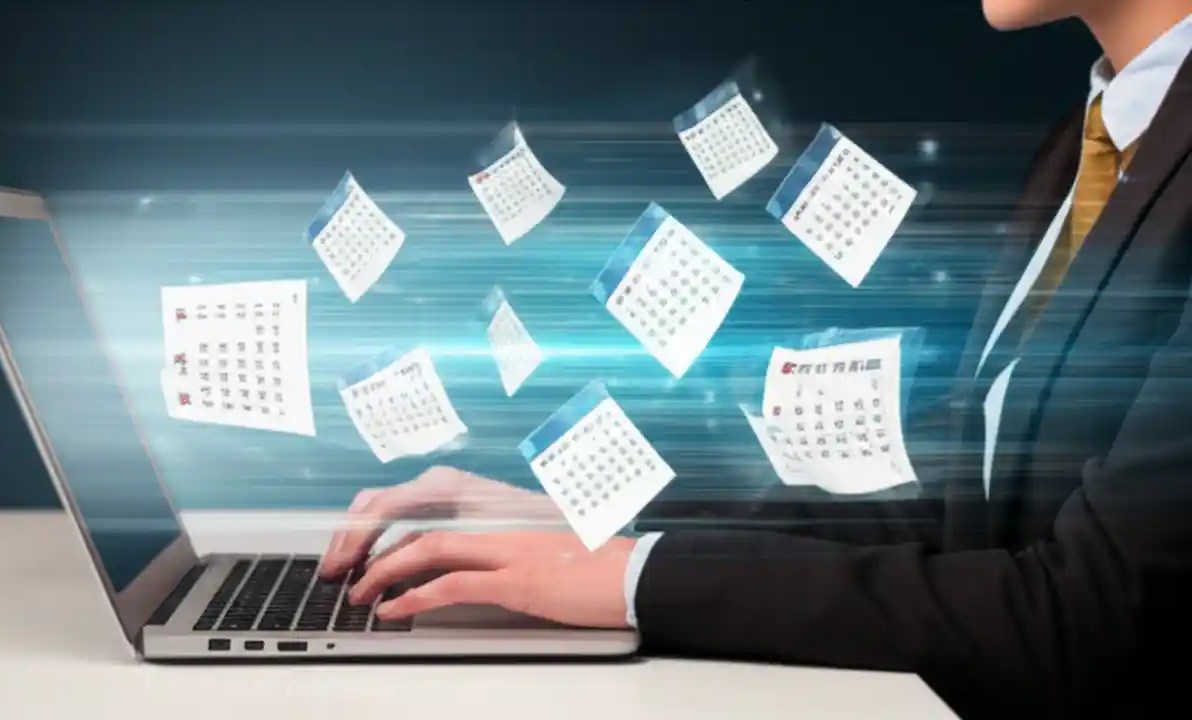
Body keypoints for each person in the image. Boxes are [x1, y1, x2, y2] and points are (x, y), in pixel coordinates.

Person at [320, 1, 1192, 716]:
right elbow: (959, 509)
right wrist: (590, 526)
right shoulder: (1085, 149)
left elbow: (1085, 622)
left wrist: (632, 578)